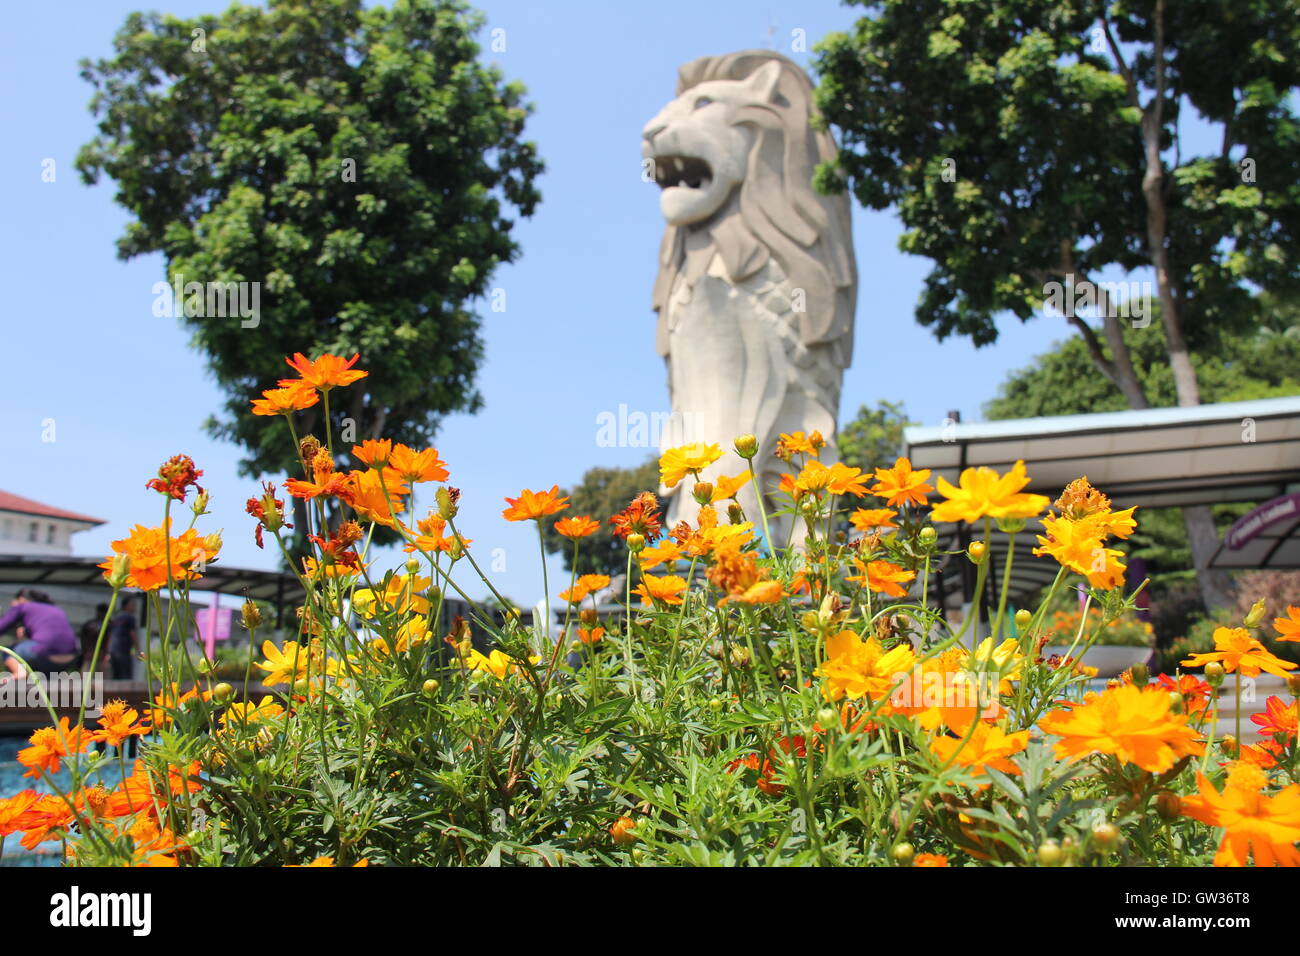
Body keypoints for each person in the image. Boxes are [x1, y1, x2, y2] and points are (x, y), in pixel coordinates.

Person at [0, 589, 81, 680]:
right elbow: (49, 633)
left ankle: (20, 673)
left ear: (21, 599)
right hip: (70, 658)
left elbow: (2, 627)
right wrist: (26, 631)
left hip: (44, 654)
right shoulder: (55, 608)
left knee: (9, 651)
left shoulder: (22, 606)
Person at [106, 596, 139, 680]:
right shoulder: (129, 617)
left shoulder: (116, 617)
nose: (134, 606)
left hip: (113, 650)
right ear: (126, 606)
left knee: (116, 675)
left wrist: (108, 651)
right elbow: (133, 634)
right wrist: (138, 650)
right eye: (132, 604)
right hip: (123, 650)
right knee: (125, 676)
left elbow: (110, 635)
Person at [80, 602, 110, 671]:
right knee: (99, 680)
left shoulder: (89, 624)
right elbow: (109, 640)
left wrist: (84, 652)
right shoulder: (109, 625)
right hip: (100, 657)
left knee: (87, 679)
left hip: (90, 656)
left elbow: (82, 639)